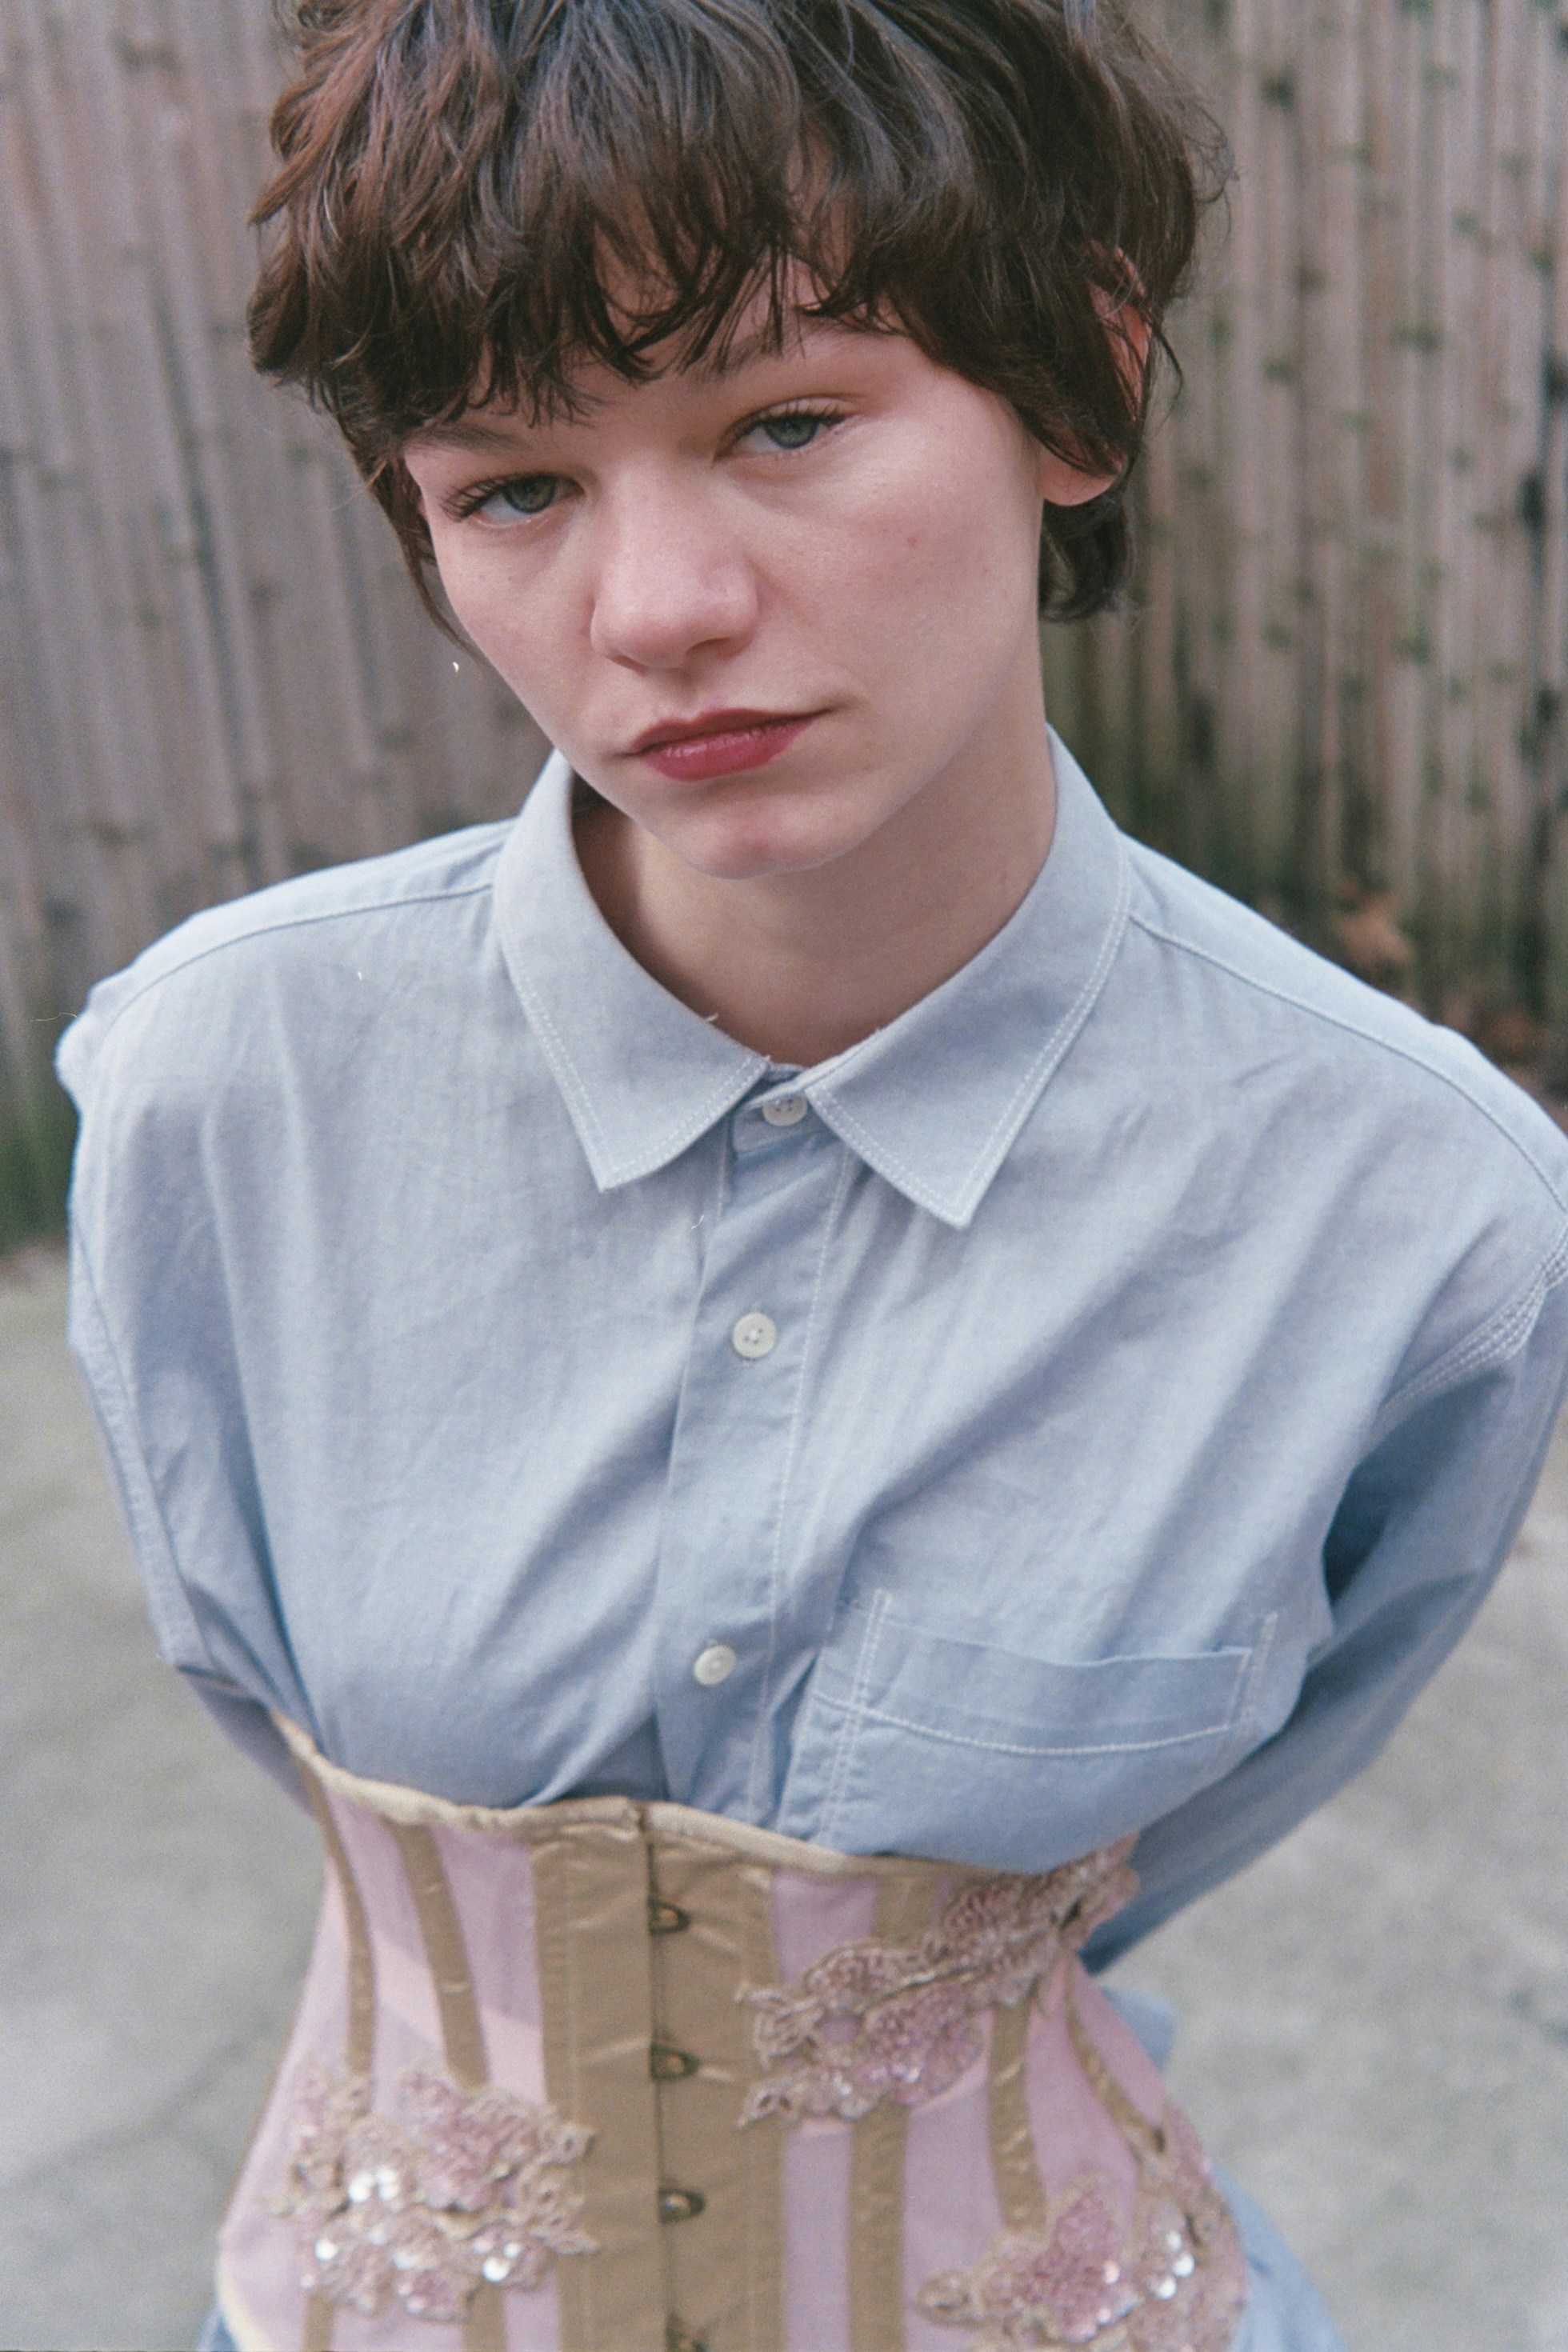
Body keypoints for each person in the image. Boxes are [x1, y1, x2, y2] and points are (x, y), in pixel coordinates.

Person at [55, 0, 1568, 2347]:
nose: (653, 611)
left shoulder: (1414, 1208)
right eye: (513, 486)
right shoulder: (212, 1089)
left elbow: (1245, 1783)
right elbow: (246, 1679)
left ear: (1083, 381)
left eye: (787, 422)